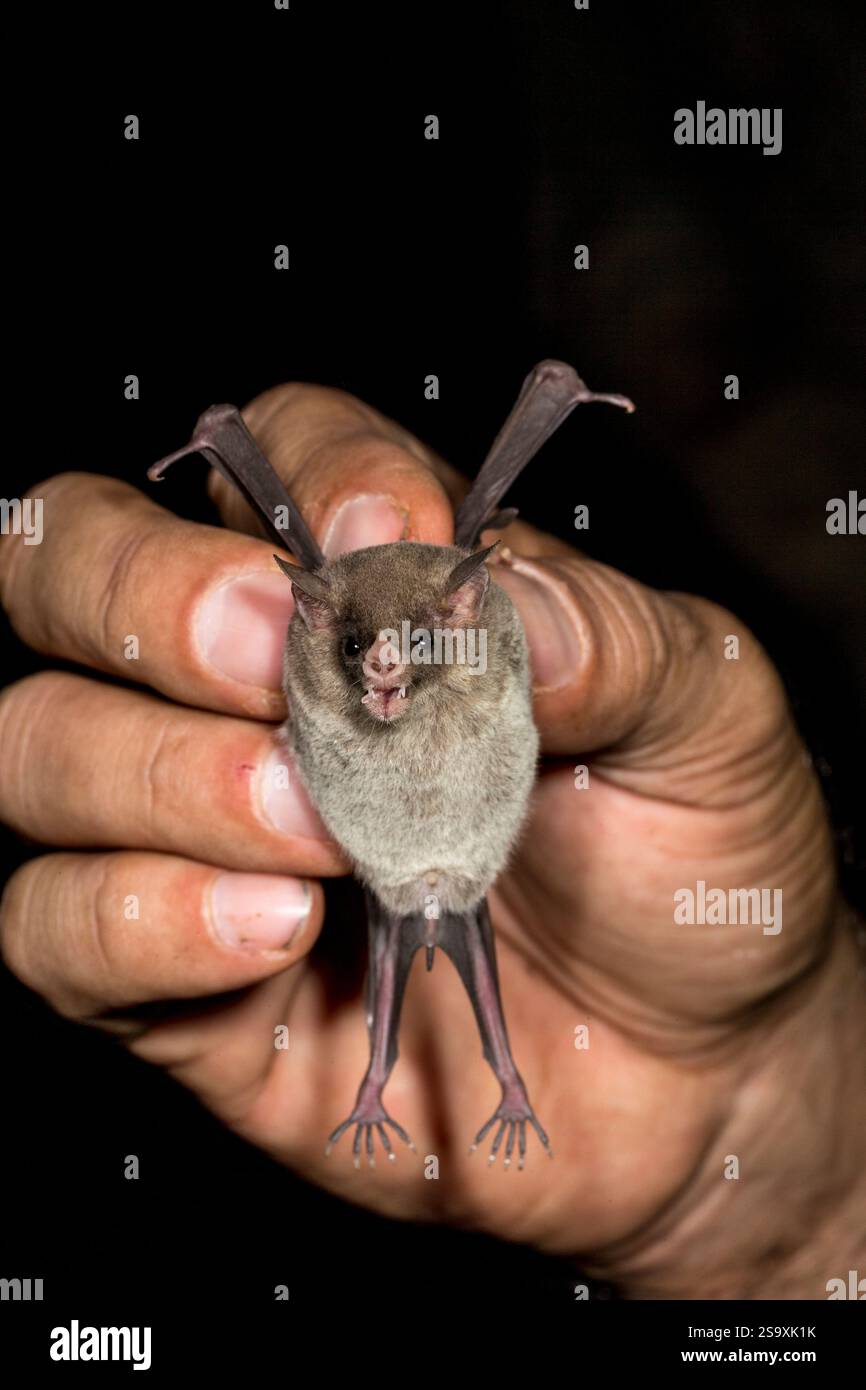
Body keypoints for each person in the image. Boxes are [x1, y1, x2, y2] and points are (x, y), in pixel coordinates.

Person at [1, 381, 863, 1298]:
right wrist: (784, 1213)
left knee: (428, 946)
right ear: (324, 626)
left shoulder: (470, 617)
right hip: (408, 852)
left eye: (406, 657)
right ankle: (423, 1084)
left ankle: (463, 1084)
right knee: (412, 942)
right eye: (360, 658)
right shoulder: (334, 617)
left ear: (452, 621)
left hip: (460, 826)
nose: (385, 680)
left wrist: (780, 1144)